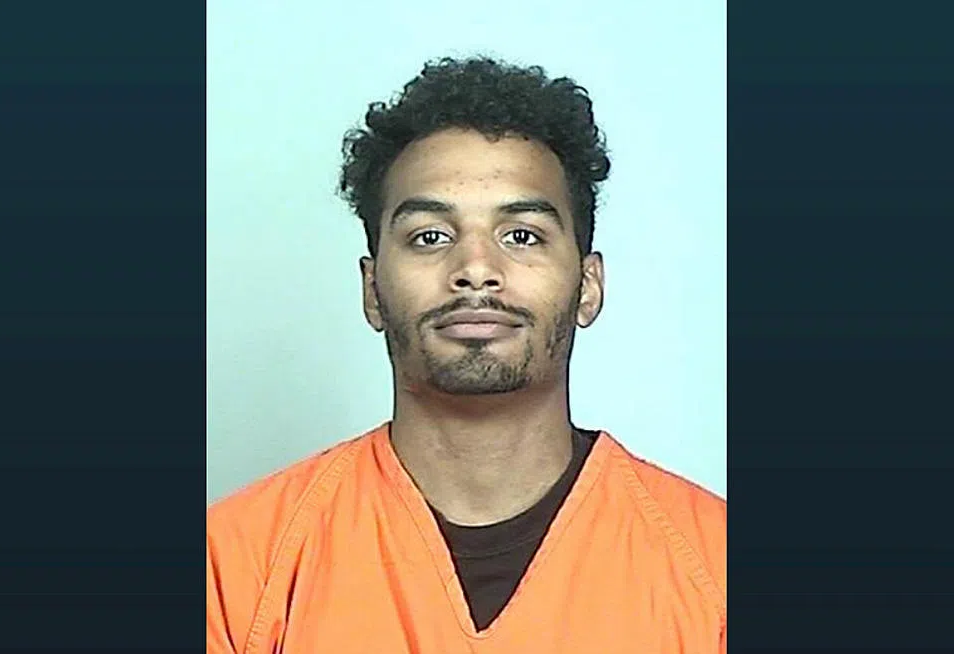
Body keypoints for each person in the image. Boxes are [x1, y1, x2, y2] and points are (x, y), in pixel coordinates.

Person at [207, 56, 726, 653]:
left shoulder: (715, 568)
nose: (476, 269)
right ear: (372, 291)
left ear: (588, 286)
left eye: (521, 236)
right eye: (430, 237)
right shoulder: (236, 566)